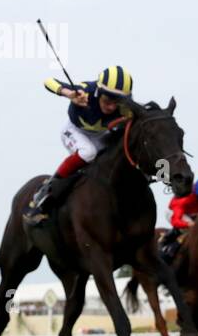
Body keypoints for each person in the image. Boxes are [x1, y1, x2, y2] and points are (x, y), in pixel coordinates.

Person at [25, 66, 135, 223]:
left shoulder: (126, 105)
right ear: (99, 92)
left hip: (101, 135)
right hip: (75, 131)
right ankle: (46, 189)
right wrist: (68, 93)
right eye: (107, 101)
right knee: (88, 152)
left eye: (116, 103)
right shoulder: (86, 90)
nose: (111, 107)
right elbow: (48, 81)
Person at [158, 176, 198, 261]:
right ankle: (168, 244)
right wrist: (188, 224)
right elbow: (176, 221)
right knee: (193, 227)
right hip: (173, 213)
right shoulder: (183, 201)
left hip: (191, 213)